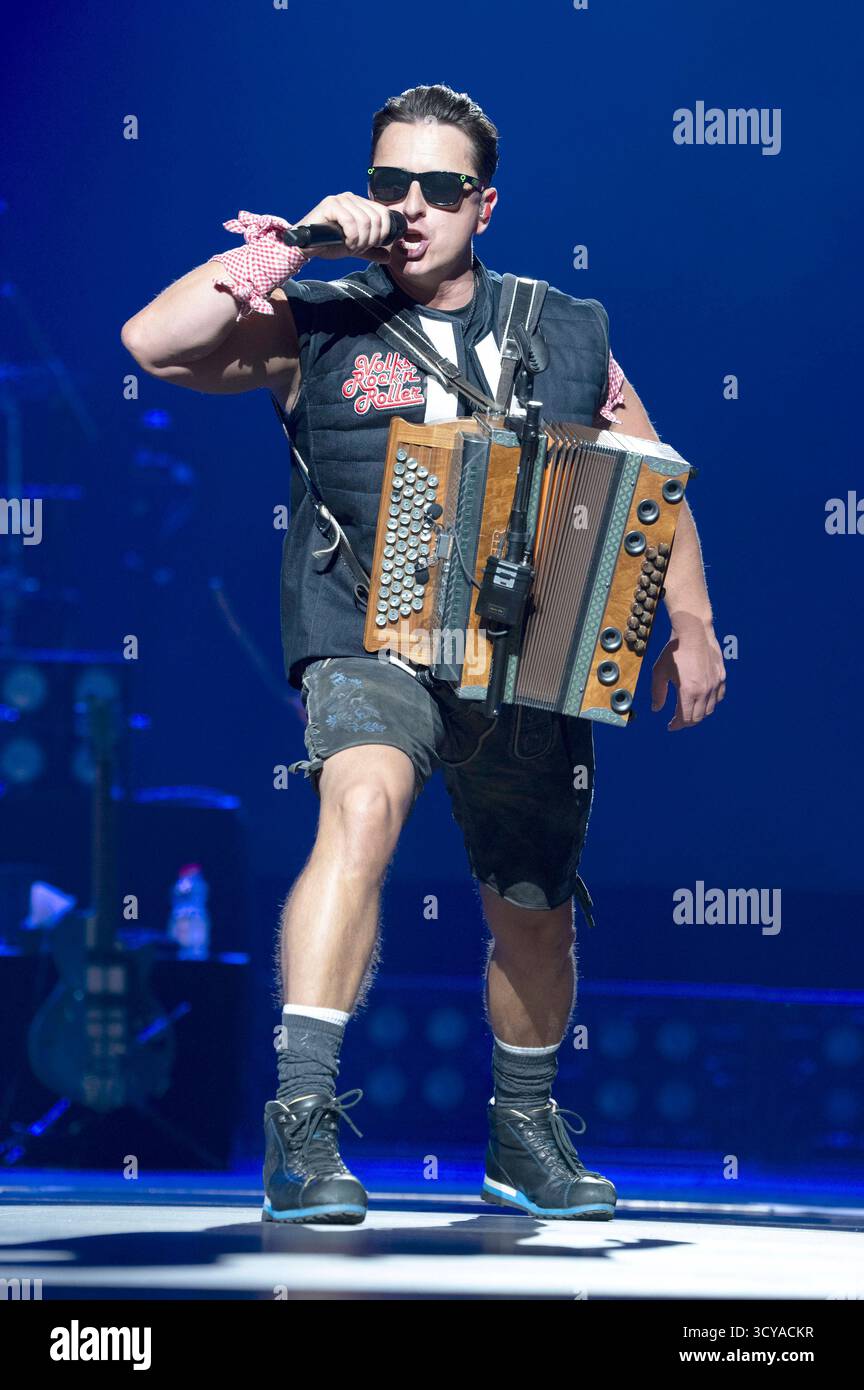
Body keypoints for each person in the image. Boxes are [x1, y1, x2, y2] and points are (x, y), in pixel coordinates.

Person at [121, 84, 726, 1226]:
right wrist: (289, 250)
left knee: (533, 907)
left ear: (482, 204)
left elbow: (656, 473)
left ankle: (524, 1135)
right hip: (364, 633)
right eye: (391, 183)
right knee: (361, 809)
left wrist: (690, 621)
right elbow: (150, 345)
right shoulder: (322, 316)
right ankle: (301, 1124)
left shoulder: (561, 325)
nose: (410, 207)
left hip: (529, 657)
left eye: (439, 189)